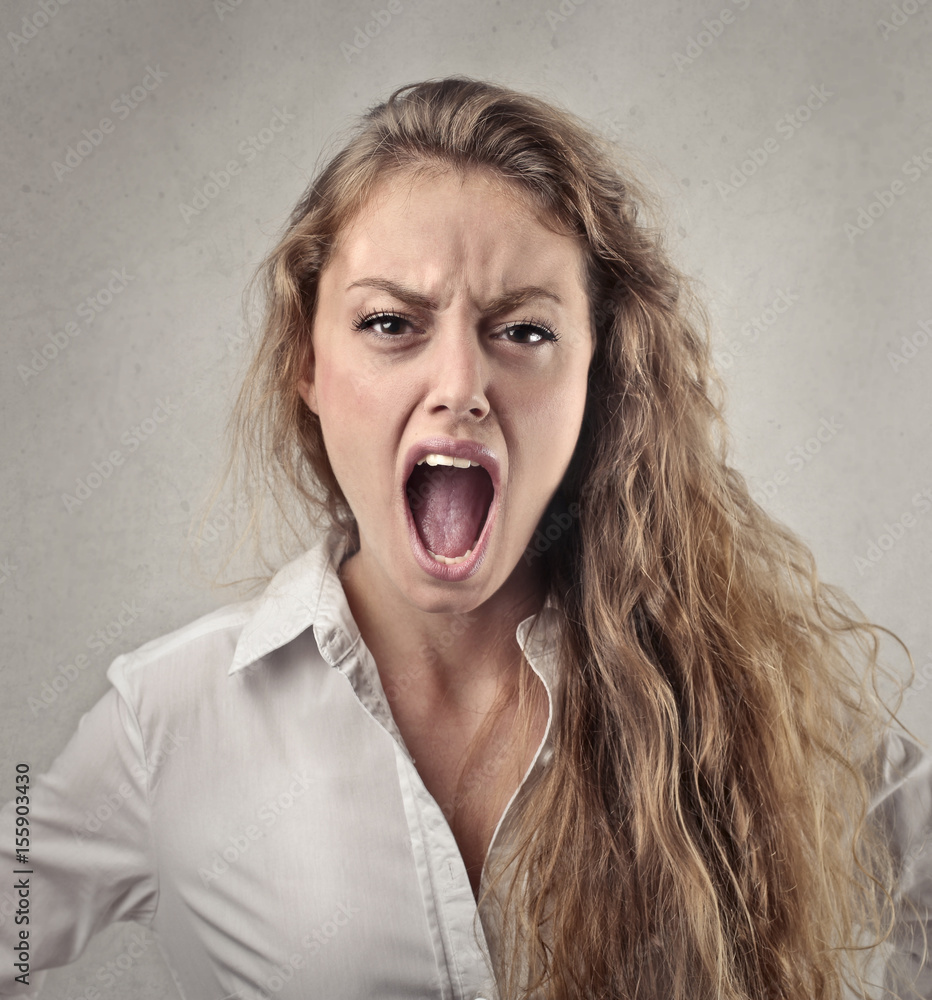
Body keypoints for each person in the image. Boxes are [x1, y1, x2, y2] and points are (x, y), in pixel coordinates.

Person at [1, 76, 930, 1000]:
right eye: (389, 323)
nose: (460, 386)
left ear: (597, 374)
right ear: (307, 364)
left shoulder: (750, 698)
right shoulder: (169, 717)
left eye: (523, 330)